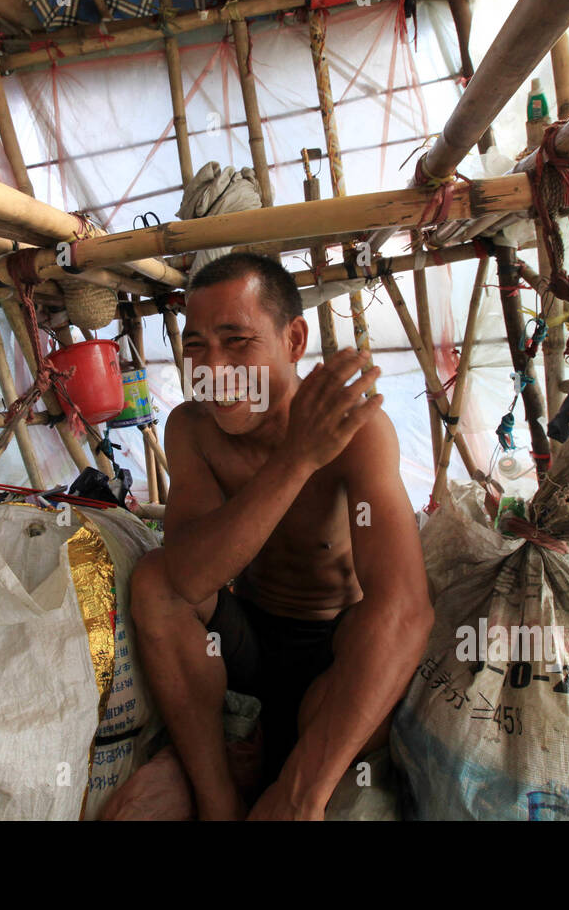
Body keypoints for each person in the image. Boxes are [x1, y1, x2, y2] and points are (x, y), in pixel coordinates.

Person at [129, 252, 434, 820]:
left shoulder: (358, 431)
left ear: (293, 339)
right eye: (195, 346)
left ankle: (293, 794)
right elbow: (189, 578)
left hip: (332, 659)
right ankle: (217, 799)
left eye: (236, 340)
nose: (212, 369)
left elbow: (407, 612)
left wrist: (298, 797)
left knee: (383, 621)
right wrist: (296, 459)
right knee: (155, 581)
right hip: (244, 646)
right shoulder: (193, 429)